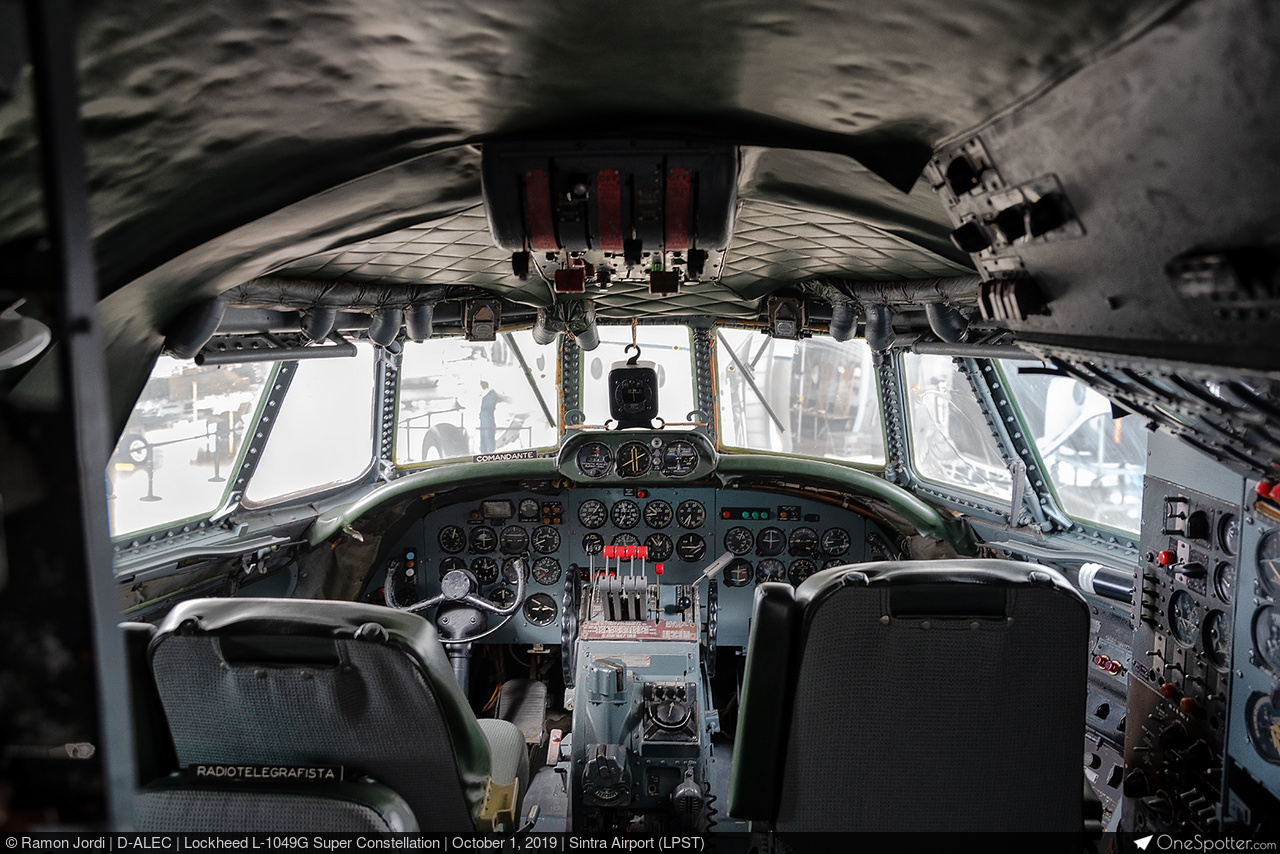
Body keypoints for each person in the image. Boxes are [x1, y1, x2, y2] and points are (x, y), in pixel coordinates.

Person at [479, 380, 498, 453]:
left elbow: (490, 407)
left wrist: (483, 409)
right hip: (483, 421)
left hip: (488, 420)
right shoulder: (484, 396)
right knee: (483, 438)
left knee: (489, 437)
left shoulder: (492, 395)